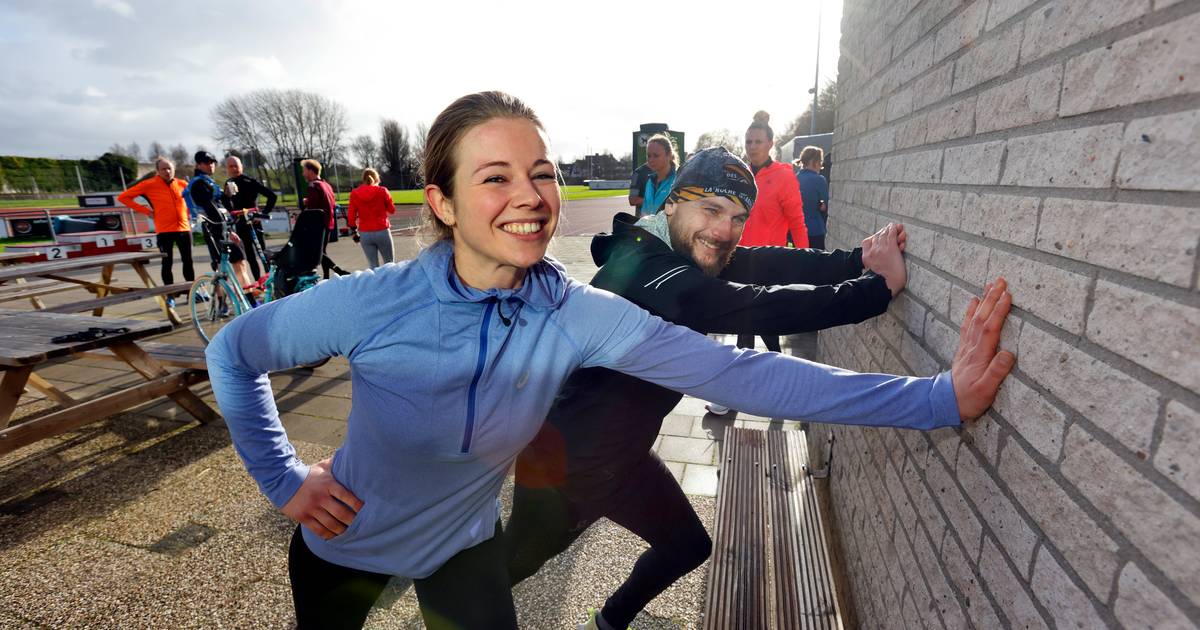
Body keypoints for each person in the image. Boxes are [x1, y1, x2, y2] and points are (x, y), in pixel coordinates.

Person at [205, 91, 1015, 630]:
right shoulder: (374, 302)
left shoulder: (573, 313)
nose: (529, 195)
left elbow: (745, 372)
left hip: (462, 550)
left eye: (541, 173)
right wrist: (284, 479)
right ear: (443, 203)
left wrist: (937, 398)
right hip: (346, 542)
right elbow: (233, 351)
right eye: (494, 177)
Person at [505, 148, 907, 630]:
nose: (723, 230)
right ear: (673, 203)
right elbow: (760, 305)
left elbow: (762, 263)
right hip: (570, 469)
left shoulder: (674, 248)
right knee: (508, 567)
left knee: (687, 546)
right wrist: (876, 290)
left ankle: (607, 623)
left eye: (737, 217)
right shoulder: (653, 272)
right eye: (711, 209)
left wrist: (854, 260)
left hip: (623, 456)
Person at [715, 110, 809, 388]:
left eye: (758, 141)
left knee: (766, 326)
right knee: (744, 323)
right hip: (738, 260)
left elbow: (797, 222)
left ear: (770, 143)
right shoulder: (738, 175)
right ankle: (739, 389)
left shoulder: (784, 175)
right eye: (748, 141)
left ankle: (779, 379)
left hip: (769, 262)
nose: (752, 146)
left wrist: (805, 261)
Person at [116, 157, 194, 287]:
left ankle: (192, 291)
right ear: (157, 171)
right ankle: (169, 293)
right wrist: (146, 211)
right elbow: (123, 197)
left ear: (174, 169)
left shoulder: (182, 184)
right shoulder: (149, 184)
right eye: (163, 169)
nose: (167, 171)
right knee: (167, 262)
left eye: (169, 168)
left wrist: (189, 213)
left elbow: (192, 201)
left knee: (188, 261)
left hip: (184, 229)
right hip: (164, 230)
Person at [188, 151, 256, 296]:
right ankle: (224, 301)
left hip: (222, 228)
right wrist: (229, 230)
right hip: (213, 229)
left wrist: (227, 196)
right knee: (222, 267)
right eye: (207, 163)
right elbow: (211, 210)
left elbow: (223, 207)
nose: (211, 166)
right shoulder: (198, 184)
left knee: (237, 263)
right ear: (198, 165)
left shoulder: (208, 182)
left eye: (212, 163)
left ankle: (246, 297)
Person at [222, 155, 277, 279]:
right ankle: (258, 283)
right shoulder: (228, 183)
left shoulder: (250, 181)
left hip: (254, 222)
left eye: (236, 166)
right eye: (231, 166)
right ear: (227, 169)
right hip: (240, 223)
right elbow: (226, 204)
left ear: (241, 166)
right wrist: (227, 199)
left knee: (263, 254)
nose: (234, 169)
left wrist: (263, 214)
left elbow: (272, 196)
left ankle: (272, 281)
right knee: (250, 257)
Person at [346, 168, 396, 268]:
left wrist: (354, 231)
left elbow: (351, 216)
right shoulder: (382, 191)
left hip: (365, 233)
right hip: (382, 230)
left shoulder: (355, 193)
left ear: (363, 179)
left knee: (373, 266)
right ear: (377, 178)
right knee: (389, 264)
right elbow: (392, 210)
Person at [299, 159, 339, 278]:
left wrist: (306, 206)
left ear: (311, 171)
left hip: (317, 224)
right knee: (322, 251)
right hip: (328, 222)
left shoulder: (313, 186)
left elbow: (313, 208)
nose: (303, 174)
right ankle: (327, 277)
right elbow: (329, 203)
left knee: (316, 251)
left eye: (304, 171)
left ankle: (338, 270)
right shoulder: (326, 185)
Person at [795, 145, 830, 250]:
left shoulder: (794, 178)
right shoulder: (819, 180)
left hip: (796, 230)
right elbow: (826, 205)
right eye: (820, 161)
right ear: (814, 161)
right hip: (815, 230)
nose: (821, 165)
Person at [635, 134, 677, 216]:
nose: (651, 160)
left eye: (656, 155)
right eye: (649, 156)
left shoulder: (678, 180)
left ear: (669, 155)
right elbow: (645, 213)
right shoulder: (650, 182)